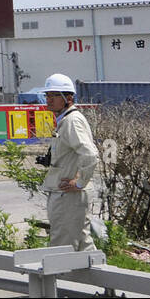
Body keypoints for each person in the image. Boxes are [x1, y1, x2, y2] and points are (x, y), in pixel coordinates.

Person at [39, 74, 99, 251]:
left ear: (69, 98)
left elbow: (90, 155)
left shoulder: (72, 121)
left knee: (61, 247)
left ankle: (59, 279)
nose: (49, 100)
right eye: (47, 95)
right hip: (68, 195)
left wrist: (79, 183)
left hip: (68, 196)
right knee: (82, 246)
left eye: (54, 96)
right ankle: (101, 278)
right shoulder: (66, 120)